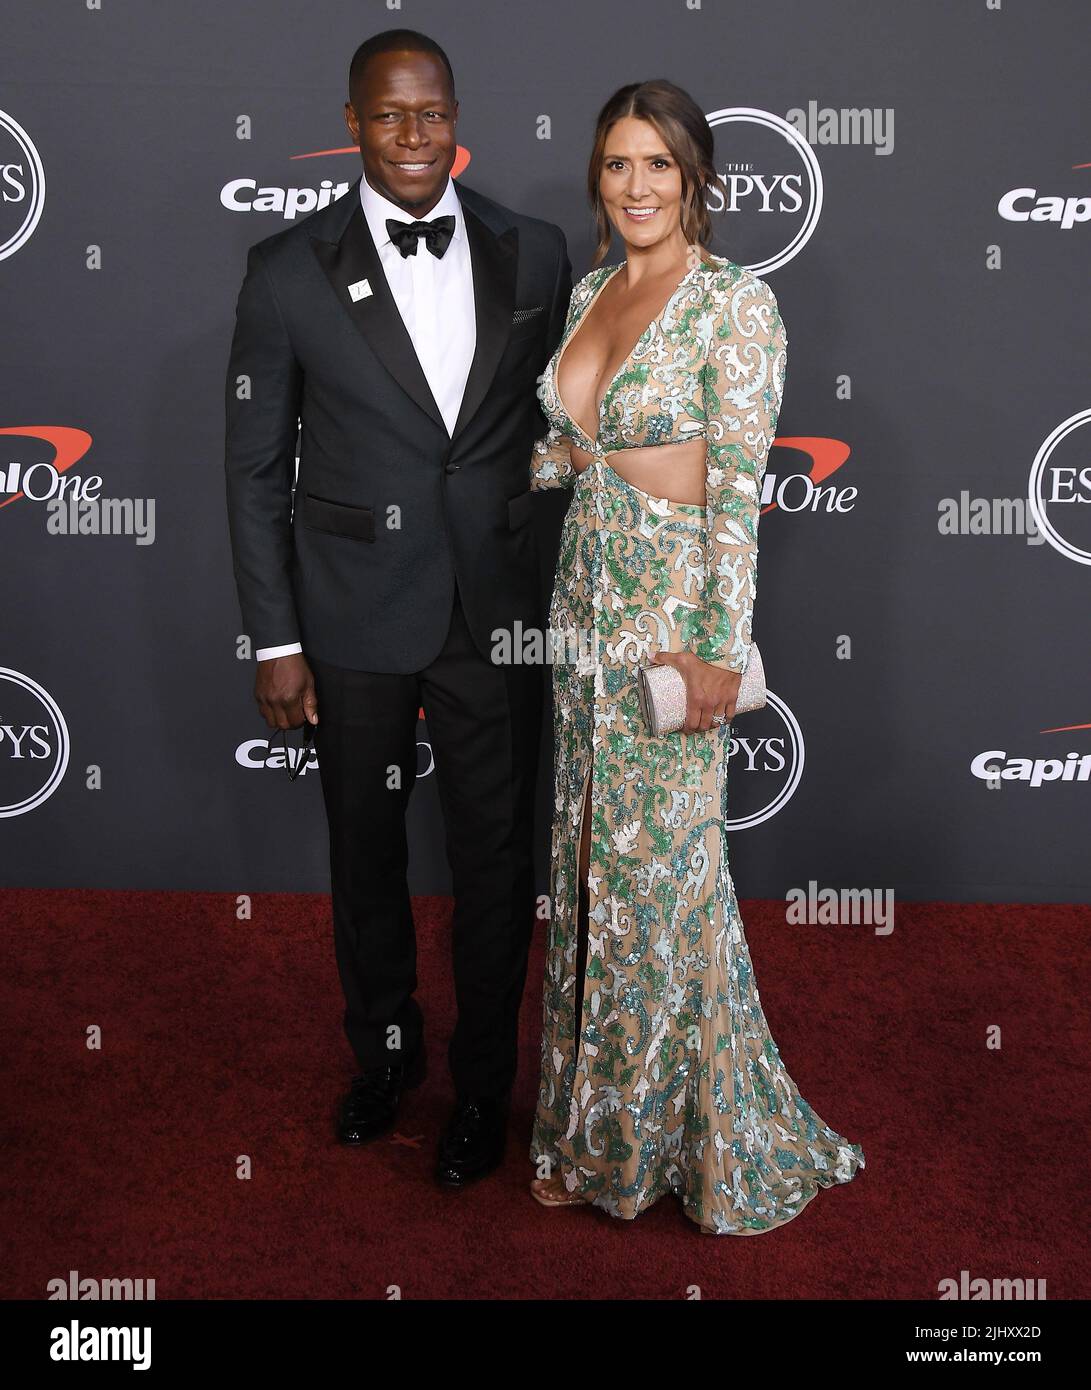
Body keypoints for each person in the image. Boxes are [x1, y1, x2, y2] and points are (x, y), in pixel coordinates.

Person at [224, 28, 571, 1187]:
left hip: (496, 613)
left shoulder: (535, 251)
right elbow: (253, 466)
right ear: (353, 122)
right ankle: (383, 1062)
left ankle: (482, 1089)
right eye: (388, 115)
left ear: (455, 115)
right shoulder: (285, 269)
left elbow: (559, 436)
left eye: (430, 113)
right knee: (364, 858)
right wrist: (277, 636)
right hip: (350, 613)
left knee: (493, 861)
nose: (413, 136)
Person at [527, 79, 865, 1233]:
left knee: (656, 883)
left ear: (696, 179)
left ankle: (650, 1148)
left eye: (656, 165)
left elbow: (736, 496)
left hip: (669, 620)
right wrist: (562, 468)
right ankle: (586, 1130)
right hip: (582, 606)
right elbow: (574, 441)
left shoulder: (735, 304)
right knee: (587, 872)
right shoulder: (588, 290)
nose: (634, 187)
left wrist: (718, 652)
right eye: (616, 164)